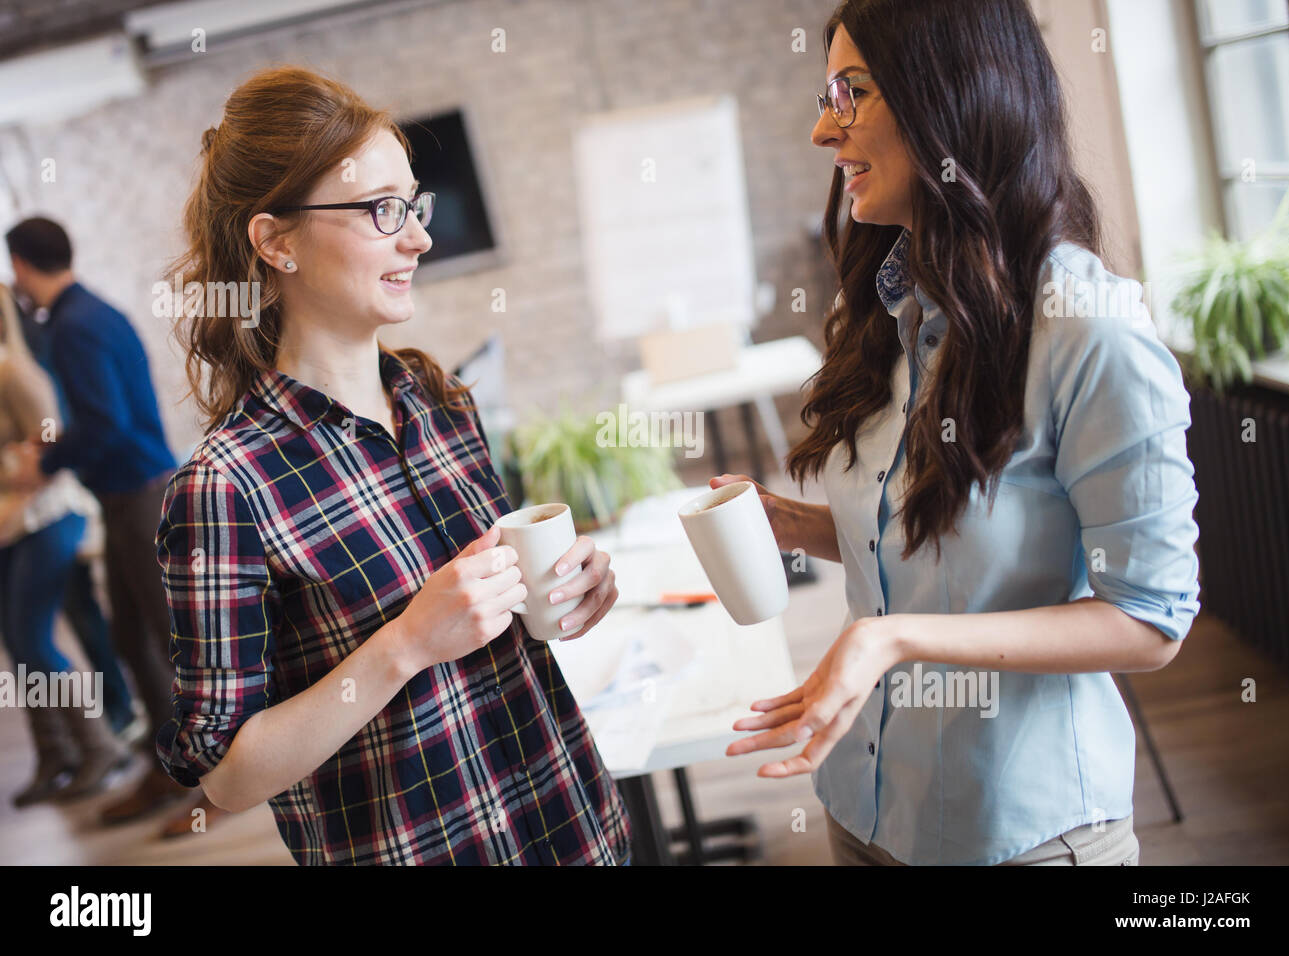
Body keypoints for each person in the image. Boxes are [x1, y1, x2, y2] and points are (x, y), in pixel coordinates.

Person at [721, 0, 1200, 866]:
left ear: (951, 96)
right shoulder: (886, 307)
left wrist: (890, 637)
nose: (823, 128)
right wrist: (796, 526)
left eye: (851, 91)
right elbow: (938, 550)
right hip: (867, 806)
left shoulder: (1088, 330)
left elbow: (1149, 618)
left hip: (1017, 832)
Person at [154, 66, 630, 864]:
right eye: (382, 211)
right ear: (275, 241)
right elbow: (228, 777)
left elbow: (490, 619)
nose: (418, 236)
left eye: (413, 205)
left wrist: (571, 588)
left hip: (572, 827)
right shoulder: (226, 486)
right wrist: (406, 644)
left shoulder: (441, 401)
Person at [4, 217, 184, 824]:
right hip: (128, 493)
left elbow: (105, 424)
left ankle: (201, 781)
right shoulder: (92, 313)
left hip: (137, 493)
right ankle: (170, 765)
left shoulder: (76, 326)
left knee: (165, 638)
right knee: (133, 638)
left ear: (22, 266)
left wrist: (47, 458)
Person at [0, 281, 132, 805]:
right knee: (18, 646)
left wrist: (16, 467)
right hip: (10, 524)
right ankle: (56, 753)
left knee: (34, 640)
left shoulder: (12, 371)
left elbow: (51, 448)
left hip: (48, 516)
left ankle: (100, 746)